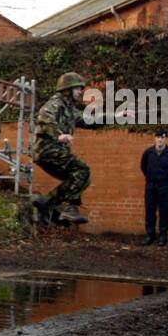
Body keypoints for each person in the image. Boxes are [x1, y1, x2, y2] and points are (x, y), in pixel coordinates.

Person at [31, 71, 130, 225]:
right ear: (67, 89)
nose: (80, 92)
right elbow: (45, 120)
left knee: (78, 178)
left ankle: (46, 203)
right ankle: (69, 208)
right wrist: (59, 135)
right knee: (82, 170)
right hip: (47, 150)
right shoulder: (54, 105)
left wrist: (116, 116)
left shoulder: (70, 109)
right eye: (77, 89)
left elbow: (90, 120)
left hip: (56, 152)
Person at [140, 129, 168, 246]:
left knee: (164, 211)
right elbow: (143, 166)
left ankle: (163, 236)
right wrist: (150, 176)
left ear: (165, 139)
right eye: (158, 137)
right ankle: (150, 235)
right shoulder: (148, 152)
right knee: (150, 211)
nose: (160, 140)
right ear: (155, 138)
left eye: (162, 137)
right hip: (150, 185)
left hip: (164, 186)